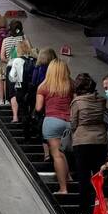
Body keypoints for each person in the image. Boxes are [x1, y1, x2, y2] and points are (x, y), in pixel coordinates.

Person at [69, 73, 108, 214]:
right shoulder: (101, 100)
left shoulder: (77, 102)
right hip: (100, 141)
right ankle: (102, 209)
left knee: (84, 177)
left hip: (82, 142)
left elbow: (73, 123)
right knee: (99, 177)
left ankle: (85, 210)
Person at [35, 59, 74, 195]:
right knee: (64, 153)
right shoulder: (71, 84)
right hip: (69, 122)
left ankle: (63, 188)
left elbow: (38, 108)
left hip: (52, 121)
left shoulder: (44, 86)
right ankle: (68, 176)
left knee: (57, 155)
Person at [1, 20, 33, 123]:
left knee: (13, 92)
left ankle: (15, 117)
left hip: (11, 68)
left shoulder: (5, 41)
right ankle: (26, 115)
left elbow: (2, 57)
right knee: (23, 90)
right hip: (24, 67)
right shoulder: (25, 38)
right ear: (21, 28)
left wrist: (11, 60)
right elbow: (31, 53)